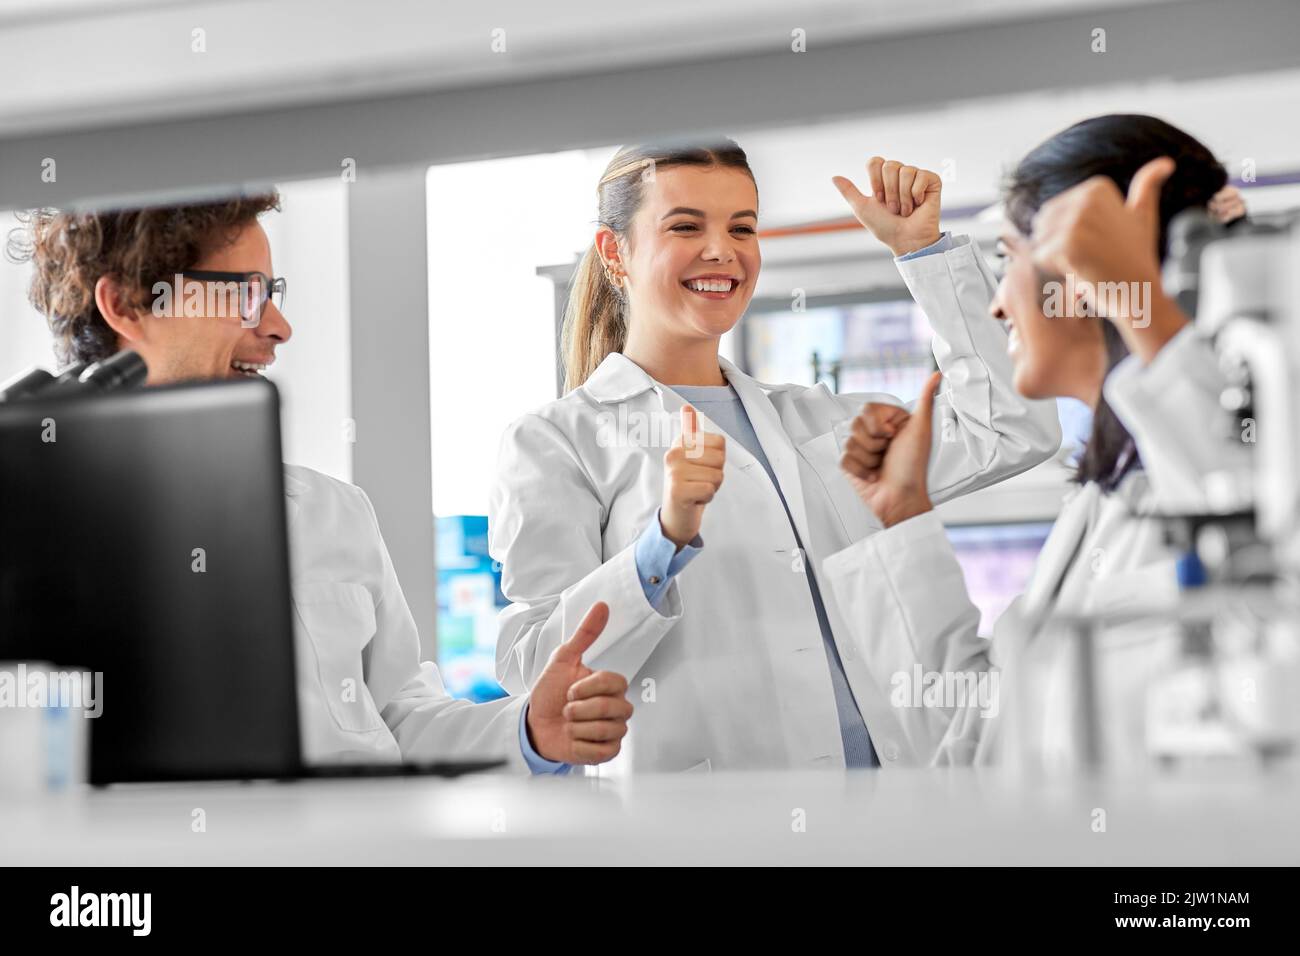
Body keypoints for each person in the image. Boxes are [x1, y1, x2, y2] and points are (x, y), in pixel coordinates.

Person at [489, 139, 1060, 773]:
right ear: (614, 253)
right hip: (720, 831)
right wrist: (661, 541)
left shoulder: (820, 423)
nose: (721, 250)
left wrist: (922, 253)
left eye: (742, 227)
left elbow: (1011, 427)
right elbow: (535, 669)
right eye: (685, 226)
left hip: (895, 815)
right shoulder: (555, 442)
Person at [7, 198, 632, 772]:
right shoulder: (28, 530)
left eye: (270, 292)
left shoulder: (334, 513)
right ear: (126, 306)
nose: (279, 326)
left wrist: (527, 731)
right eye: (244, 296)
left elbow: (401, 721)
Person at [824, 114, 1231, 767]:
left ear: (1081, 269)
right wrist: (902, 518)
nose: (997, 304)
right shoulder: (1100, 507)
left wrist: (1138, 301)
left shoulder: (1237, 460)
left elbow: (1254, 525)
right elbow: (980, 741)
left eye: (1007, 258)